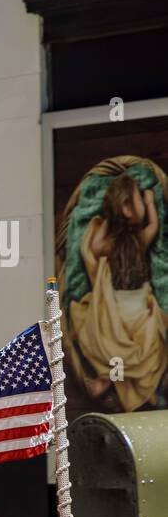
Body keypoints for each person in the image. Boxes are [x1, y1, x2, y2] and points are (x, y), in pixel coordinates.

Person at [69, 172, 165, 410]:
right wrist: (108, 219)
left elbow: (153, 225)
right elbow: (92, 246)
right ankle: (113, 381)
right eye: (138, 200)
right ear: (125, 208)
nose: (142, 204)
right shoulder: (110, 243)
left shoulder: (139, 239)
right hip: (117, 306)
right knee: (115, 346)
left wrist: (151, 202)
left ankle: (143, 387)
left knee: (151, 342)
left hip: (140, 303)